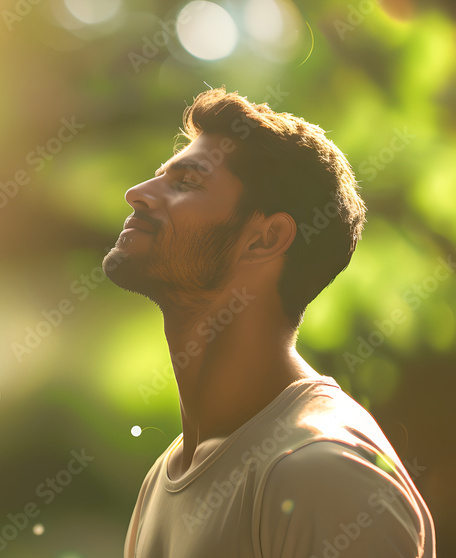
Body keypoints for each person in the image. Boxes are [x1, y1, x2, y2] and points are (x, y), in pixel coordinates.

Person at [105, 88, 435, 557]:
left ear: (266, 238)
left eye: (187, 182)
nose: (136, 194)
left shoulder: (323, 474)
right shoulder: (168, 473)